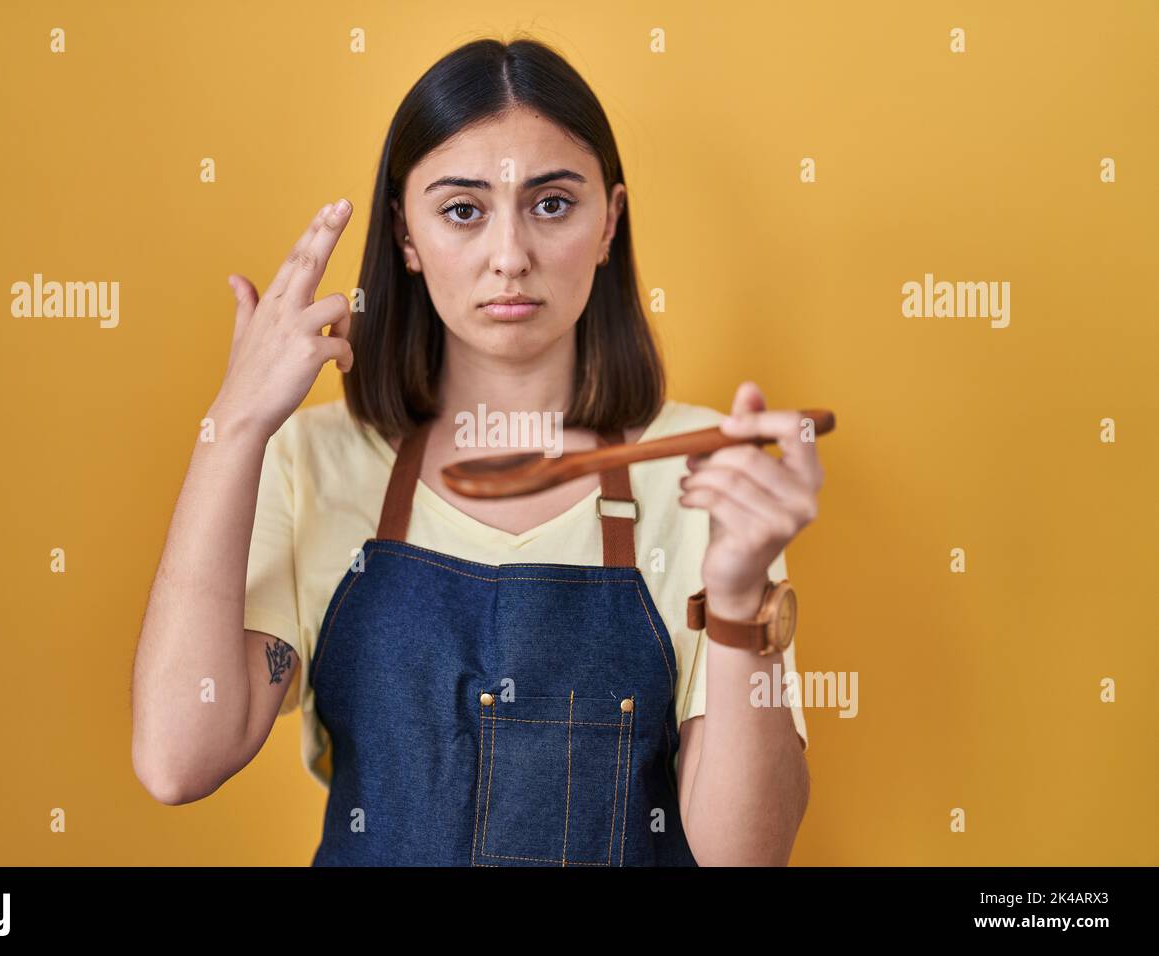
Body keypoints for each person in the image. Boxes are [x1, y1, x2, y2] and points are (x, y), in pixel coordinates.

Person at [132, 36, 823, 867]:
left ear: (609, 221)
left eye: (552, 204)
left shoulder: (703, 472)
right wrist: (235, 426)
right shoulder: (309, 465)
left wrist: (742, 600)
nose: (510, 258)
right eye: (463, 210)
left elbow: (746, 857)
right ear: (406, 233)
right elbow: (177, 760)